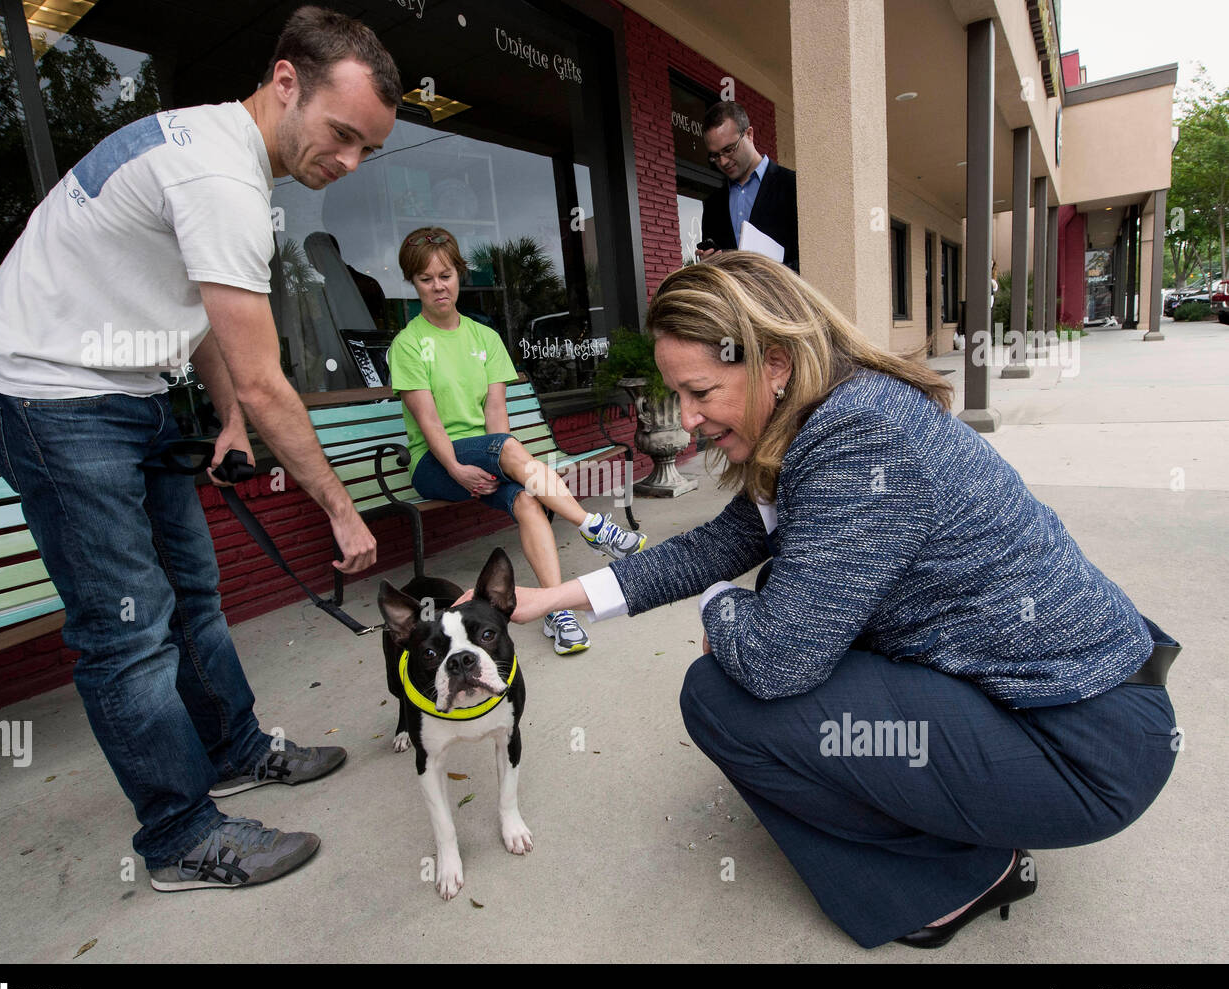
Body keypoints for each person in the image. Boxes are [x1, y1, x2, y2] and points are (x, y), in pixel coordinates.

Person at [498, 253, 1181, 949]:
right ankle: (955, 821)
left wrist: (718, 609)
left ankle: (959, 876)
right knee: (781, 599)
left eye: (700, 390)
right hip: (1074, 708)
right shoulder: (828, 411)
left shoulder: (859, 438)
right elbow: (717, 545)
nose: (690, 418)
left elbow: (775, 663)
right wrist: (558, 595)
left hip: (1083, 747)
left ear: (774, 363)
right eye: (679, 396)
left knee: (723, 693)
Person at [0, 6, 403, 891]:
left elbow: (199, 300)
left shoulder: (225, 157)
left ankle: (232, 748)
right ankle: (180, 836)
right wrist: (341, 507)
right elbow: (272, 377)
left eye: (368, 150)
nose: (348, 164)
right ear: (286, 82)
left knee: (193, 592)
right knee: (127, 630)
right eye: (342, 135)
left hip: (133, 387)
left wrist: (226, 414)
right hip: (46, 391)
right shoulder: (220, 178)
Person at [386, 227, 648, 656]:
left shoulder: (484, 338)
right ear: (413, 283)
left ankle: (556, 609)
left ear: (460, 275)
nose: (438, 286)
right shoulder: (409, 344)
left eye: (446, 275)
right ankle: (591, 526)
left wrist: (493, 459)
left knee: (528, 498)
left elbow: (495, 417)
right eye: (426, 279)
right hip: (434, 465)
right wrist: (457, 468)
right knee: (507, 450)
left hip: (485, 456)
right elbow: (428, 421)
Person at [698, 101, 799, 271]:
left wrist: (770, 275)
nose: (723, 161)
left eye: (729, 149)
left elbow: (812, 258)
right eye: (715, 155)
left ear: (749, 134)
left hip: (783, 296)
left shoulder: (793, 185)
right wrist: (709, 266)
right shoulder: (713, 205)